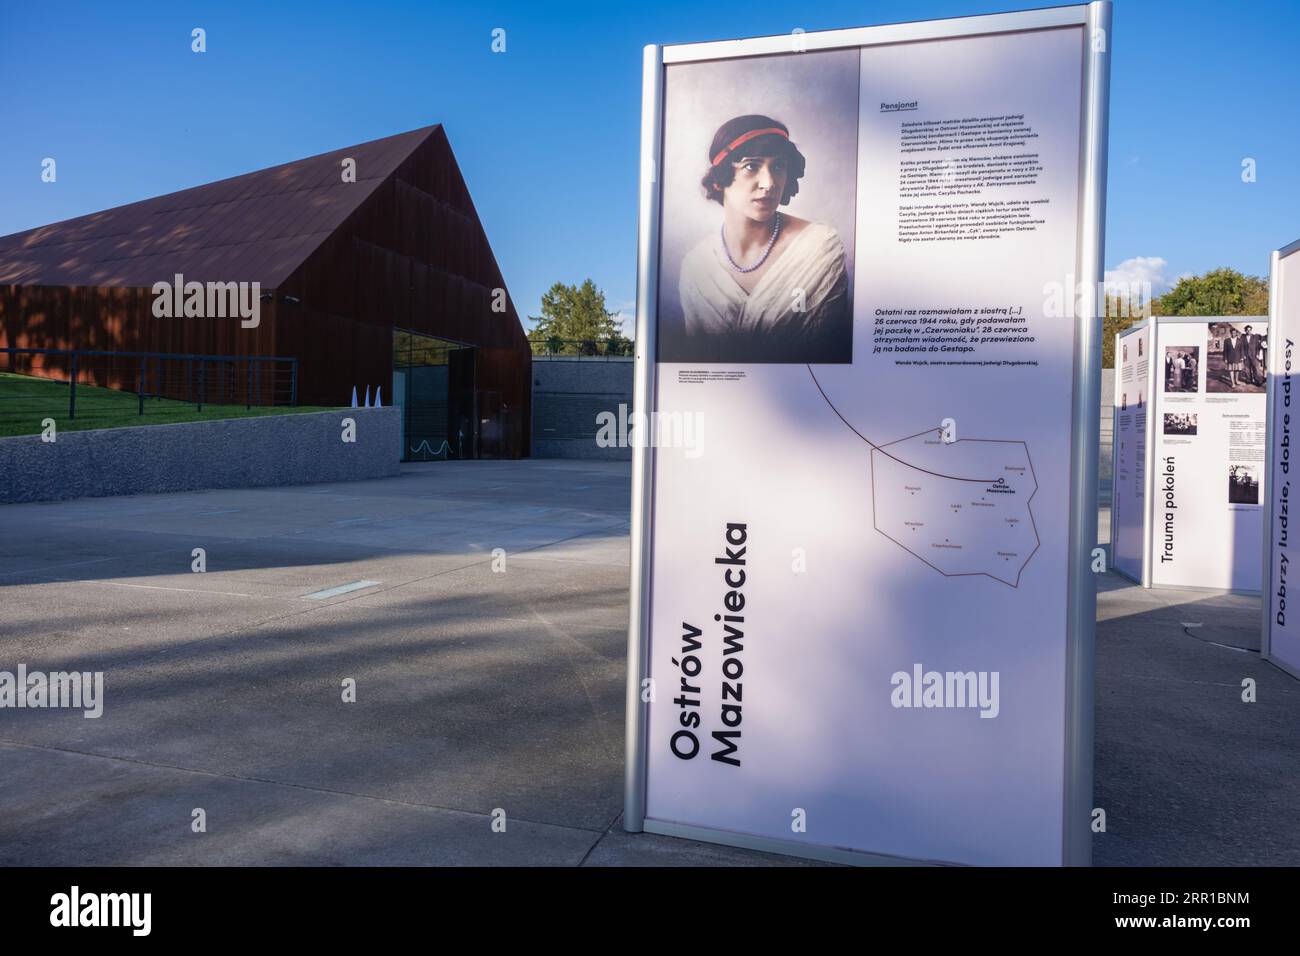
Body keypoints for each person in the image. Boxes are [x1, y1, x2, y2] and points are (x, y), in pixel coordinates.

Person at [678, 114, 850, 363]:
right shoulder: (696, 267)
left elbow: (827, 355)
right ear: (721, 178)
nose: (769, 183)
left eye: (778, 166)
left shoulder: (820, 248)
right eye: (751, 166)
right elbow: (697, 361)